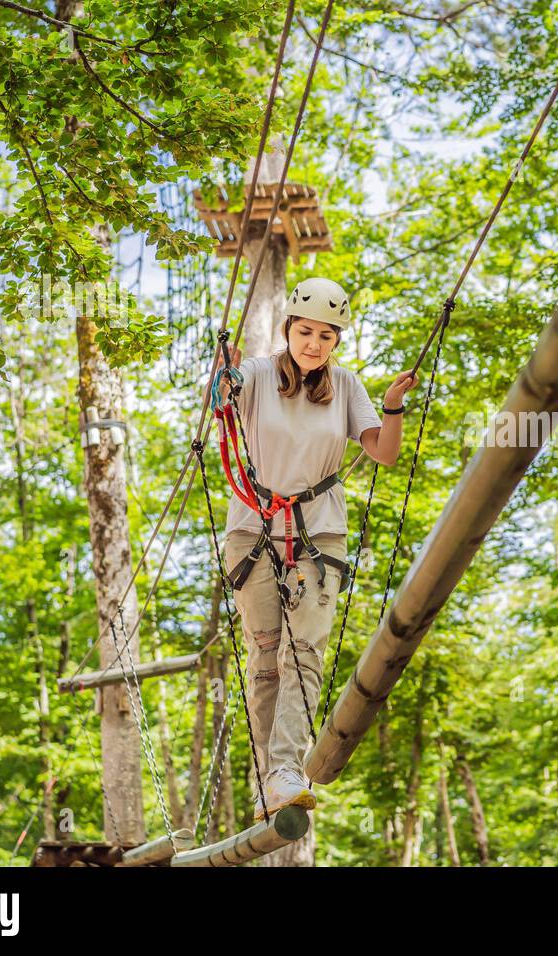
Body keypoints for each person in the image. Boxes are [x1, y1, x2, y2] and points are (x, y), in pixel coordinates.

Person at [214, 277, 418, 822]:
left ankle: (286, 769)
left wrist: (393, 406)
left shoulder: (347, 388)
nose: (313, 344)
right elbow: (222, 403)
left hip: (318, 532)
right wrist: (223, 368)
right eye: (304, 332)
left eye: (325, 336)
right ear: (288, 330)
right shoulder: (255, 375)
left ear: (336, 342)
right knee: (265, 654)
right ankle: (268, 774)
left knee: (305, 650)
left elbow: (384, 453)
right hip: (253, 529)